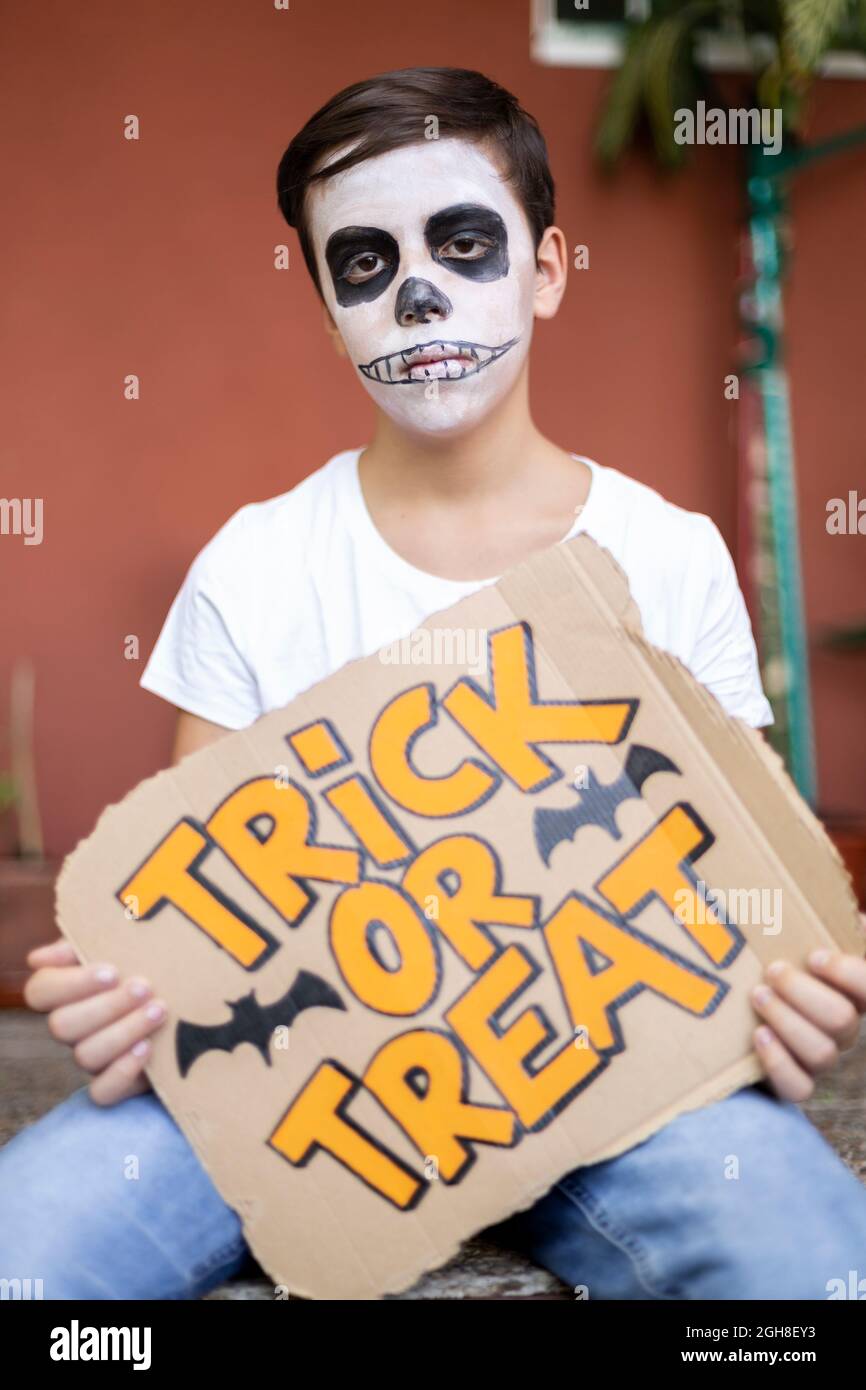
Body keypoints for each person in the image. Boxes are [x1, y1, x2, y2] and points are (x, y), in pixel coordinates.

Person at [4, 67, 866, 1301]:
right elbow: (200, 915)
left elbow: (736, 893)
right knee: (26, 1251)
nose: (414, 295)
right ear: (326, 312)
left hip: (617, 1083)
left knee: (801, 1264)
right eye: (361, 265)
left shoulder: (665, 555)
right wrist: (129, 997)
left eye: (462, 243)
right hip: (300, 1096)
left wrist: (786, 999)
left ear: (548, 268)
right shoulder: (258, 563)